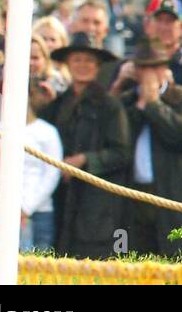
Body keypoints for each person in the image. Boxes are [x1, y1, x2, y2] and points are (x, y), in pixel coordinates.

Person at [40, 32, 131, 259]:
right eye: (77, 60)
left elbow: (122, 153)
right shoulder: (57, 104)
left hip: (96, 203)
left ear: (98, 66)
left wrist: (85, 160)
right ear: (68, 64)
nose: (83, 65)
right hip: (61, 195)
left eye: (89, 60)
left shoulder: (110, 106)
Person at [115, 41, 182, 256]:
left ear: (165, 69)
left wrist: (154, 105)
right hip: (134, 193)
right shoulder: (127, 101)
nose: (148, 74)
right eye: (143, 68)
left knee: (172, 255)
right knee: (134, 258)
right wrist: (133, 100)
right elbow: (118, 139)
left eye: (154, 67)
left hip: (170, 191)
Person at [117, 0, 182, 152]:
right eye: (158, 20)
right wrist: (119, 83)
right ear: (146, 24)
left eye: (170, 21)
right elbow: (106, 116)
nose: (164, 27)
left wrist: (168, 94)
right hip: (131, 162)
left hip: (180, 161)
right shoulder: (128, 65)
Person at [18, 75, 63, 251]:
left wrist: (26, 207)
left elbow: (52, 174)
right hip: (2, 214)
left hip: (40, 212)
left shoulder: (47, 132)